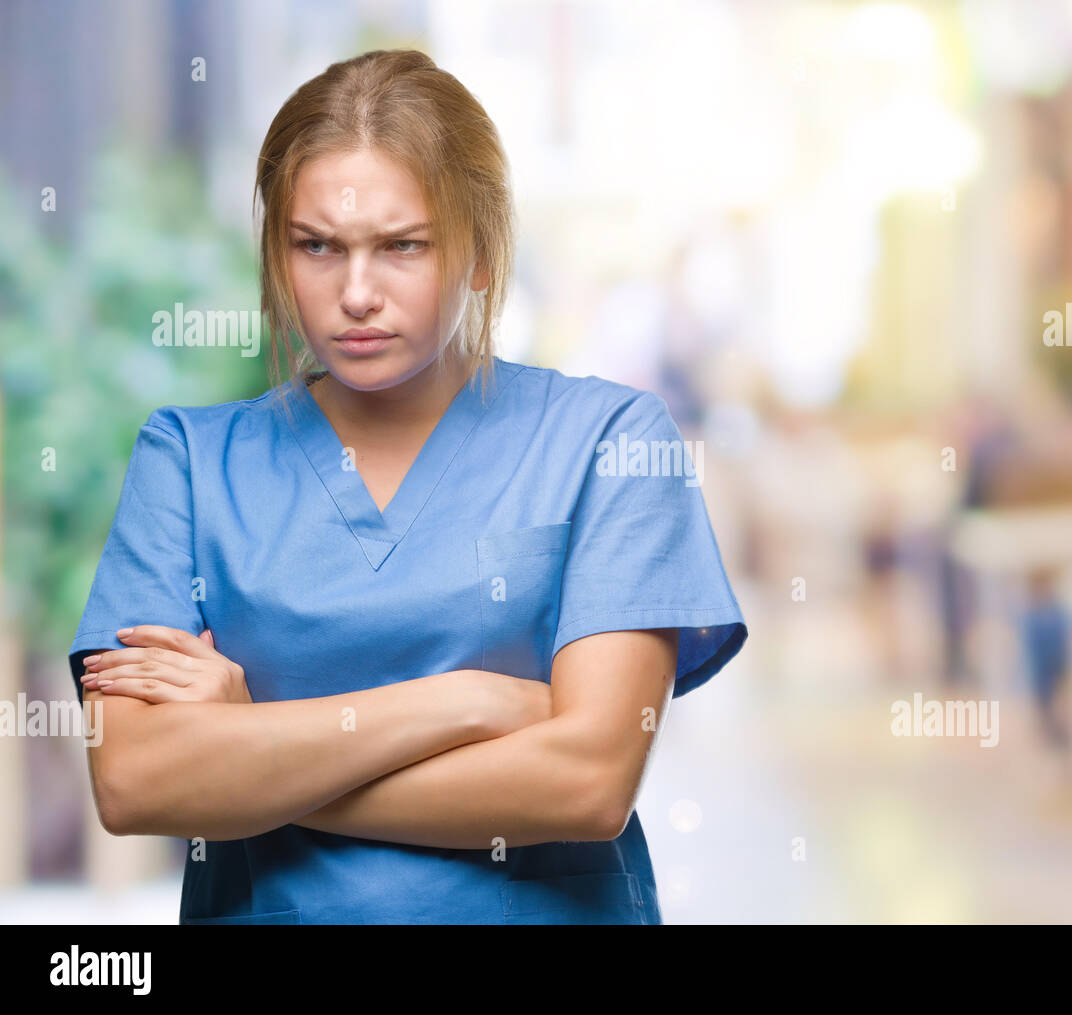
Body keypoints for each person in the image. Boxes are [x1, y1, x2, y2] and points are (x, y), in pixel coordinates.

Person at [66, 49, 747, 925]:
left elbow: (588, 782)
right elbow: (135, 781)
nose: (356, 293)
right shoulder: (190, 462)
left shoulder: (611, 443)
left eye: (402, 246)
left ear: (480, 253)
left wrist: (250, 748)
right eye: (317, 245)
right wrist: (470, 701)